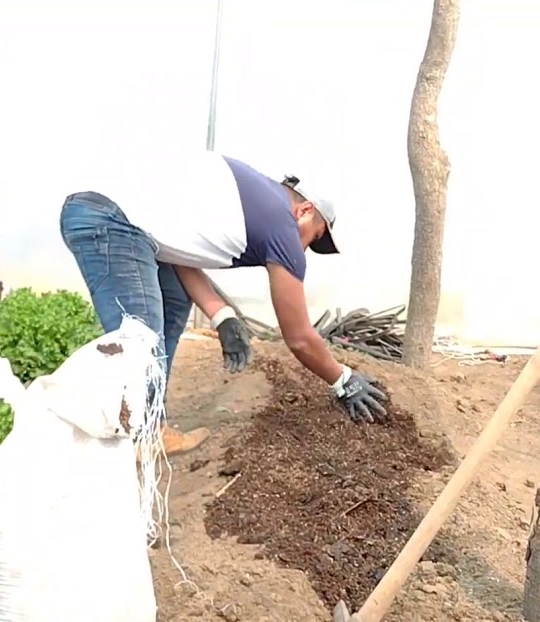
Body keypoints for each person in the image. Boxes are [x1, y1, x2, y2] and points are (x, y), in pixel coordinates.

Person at [59, 150, 389, 456]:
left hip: (118, 217)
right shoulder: (281, 225)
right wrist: (343, 380)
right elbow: (300, 338)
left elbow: (174, 247)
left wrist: (221, 315)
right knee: (139, 337)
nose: (302, 250)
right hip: (112, 222)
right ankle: (124, 441)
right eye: (312, 238)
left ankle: (149, 426)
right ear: (305, 210)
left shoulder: (255, 193)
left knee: (173, 303)